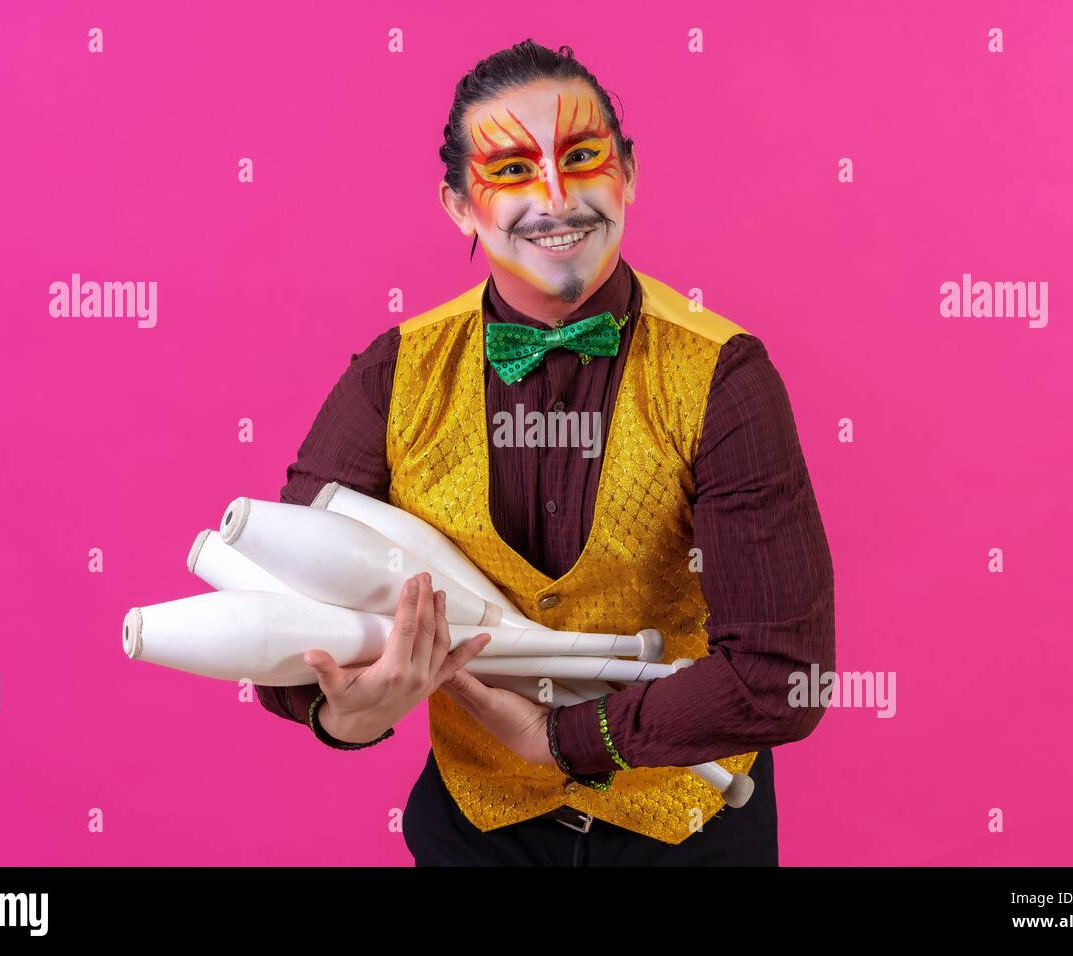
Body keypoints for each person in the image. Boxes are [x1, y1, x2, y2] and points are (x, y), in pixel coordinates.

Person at [256, 38, 836, 866]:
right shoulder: (392, 375)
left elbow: (783, 675)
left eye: (583, 157)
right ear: (458, 204)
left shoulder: (725, 376)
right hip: (474, 839)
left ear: (628, 175)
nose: (557, 199)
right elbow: (286, 625)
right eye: (512, 170)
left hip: (695, 838)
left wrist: (566, 738)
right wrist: (349, 714)